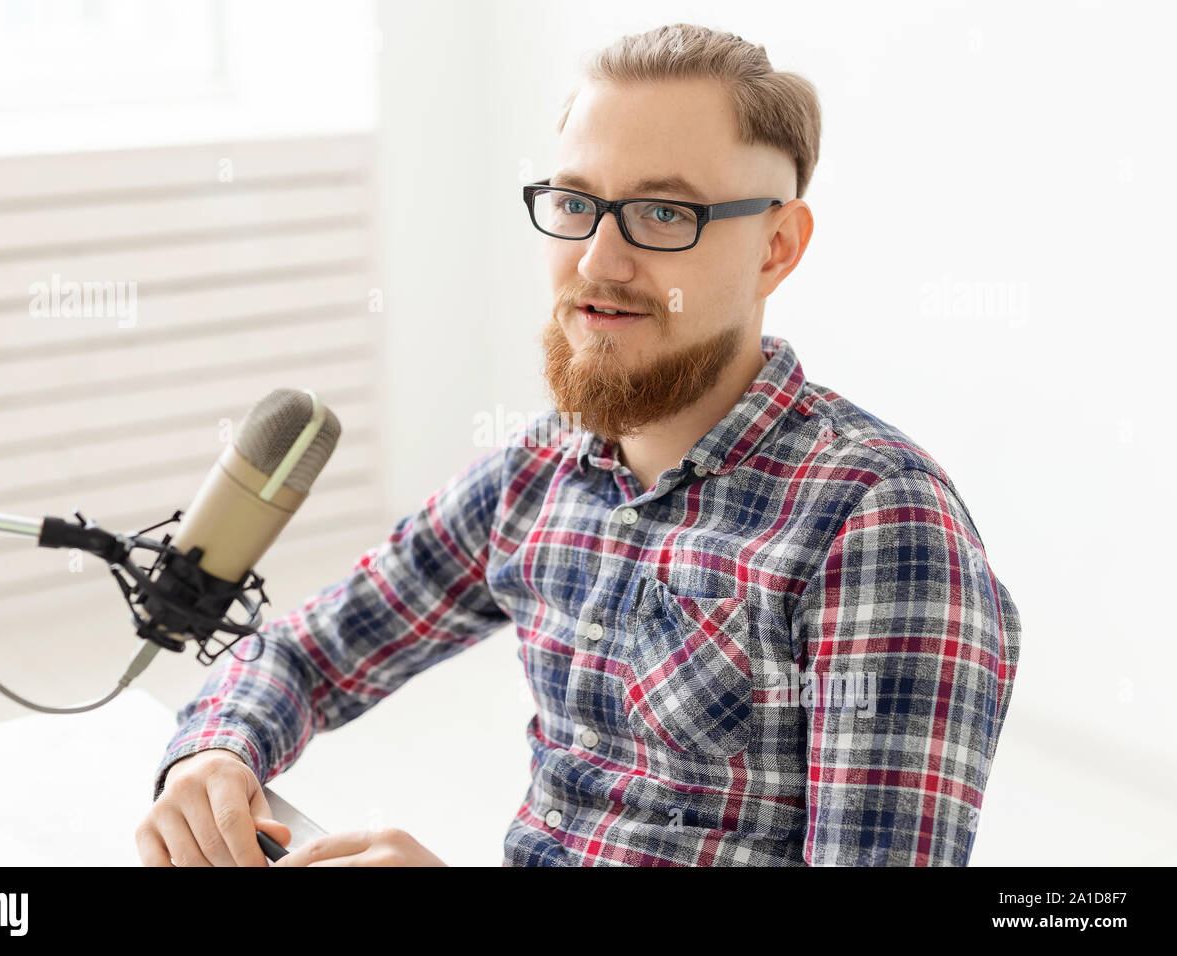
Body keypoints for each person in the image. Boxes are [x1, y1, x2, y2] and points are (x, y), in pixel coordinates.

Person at [136, 22, 1019, 867]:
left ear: (775, 248)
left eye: (665, 213)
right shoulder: (546, 467)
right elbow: (306, 650)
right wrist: (213, 756)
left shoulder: (878, 523)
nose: (599, 261)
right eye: (575, 203)